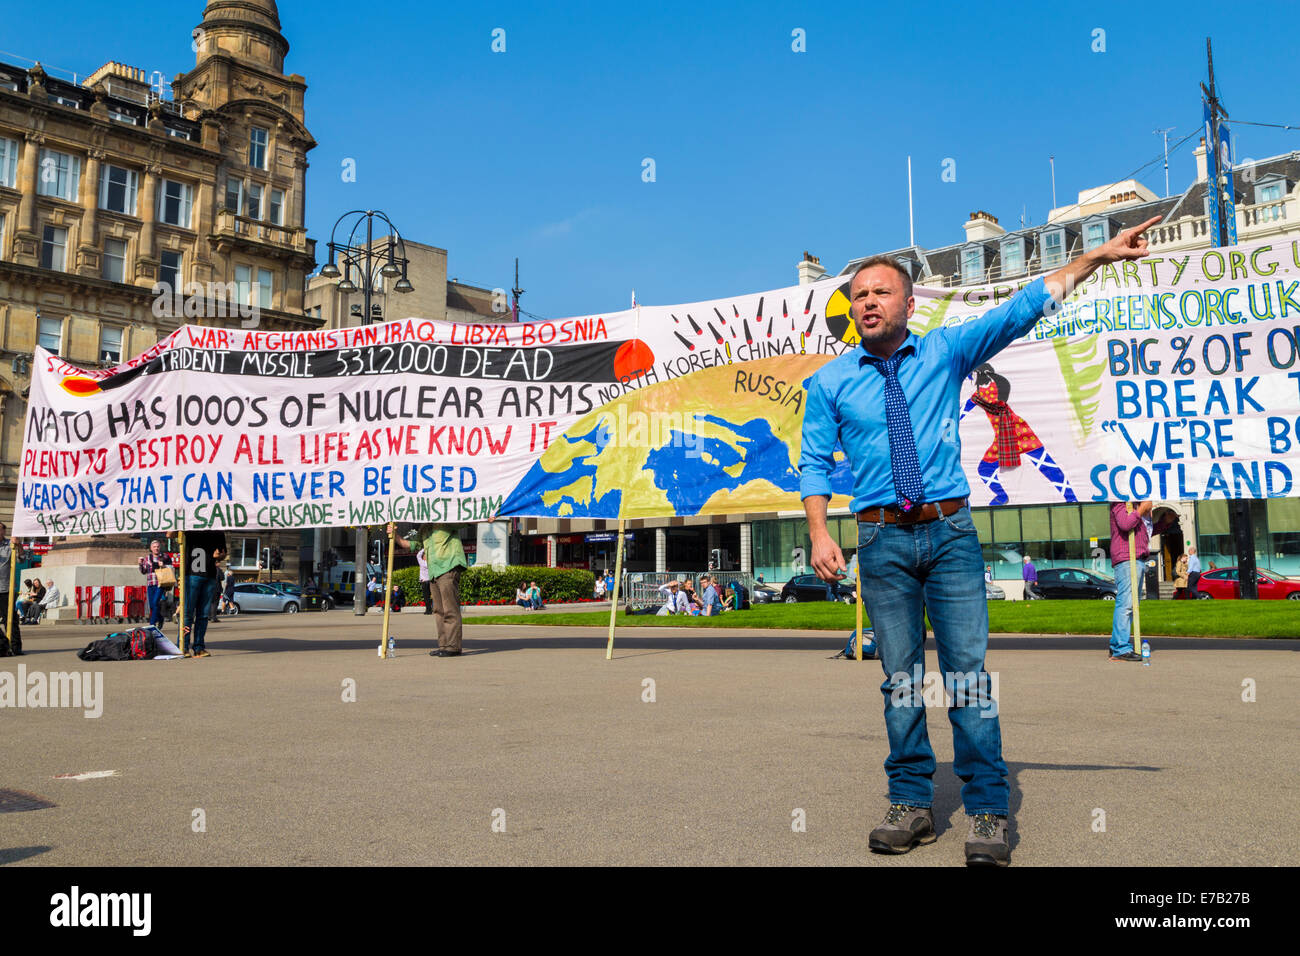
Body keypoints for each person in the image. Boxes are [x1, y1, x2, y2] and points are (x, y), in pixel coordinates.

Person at [799, 216, 1161, 867]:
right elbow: (815, 464)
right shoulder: (830, 383)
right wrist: (820, 529)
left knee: (966, 678)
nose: (869, 301)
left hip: (951, 536)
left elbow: (1020, 309)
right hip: (880, 543)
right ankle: (911, 804)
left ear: (909, 304)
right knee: (902, 679)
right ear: (850, 309)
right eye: (859, 295)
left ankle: (988, 811)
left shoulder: (945, 352)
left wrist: (1099, 258)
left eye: (882, 292)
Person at [1109, 501, 1175, 661]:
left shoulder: (1136, 506)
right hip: (1127, 557)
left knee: (1131, 603)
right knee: (1127, 603)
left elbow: (1144, 532)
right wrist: (1141, 510)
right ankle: (1120, 648)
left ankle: (1117, 645)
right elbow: (1125, 524)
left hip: (1136, 557)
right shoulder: (1121, 502)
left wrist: (1164, 523)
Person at [389, 523, 468, 657]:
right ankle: (444, 645)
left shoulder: (446, 518)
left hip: (448, 567)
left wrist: (487, 517)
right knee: (438, 610)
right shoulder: (424, 528)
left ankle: (453, 646)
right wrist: (395, 536)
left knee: (450, 608)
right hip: (434, 572)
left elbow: (469, 519)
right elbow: (410, 545)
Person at [183, 530, 226, 658]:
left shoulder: (218, 531)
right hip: (192, 575)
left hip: (209, 575)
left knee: (202, 614)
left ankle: (198, 647)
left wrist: (219, 556)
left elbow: (223, 553)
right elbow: (170, 534)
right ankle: (184, 646)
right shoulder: (190, 527)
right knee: (188, 613)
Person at [138, 538, 174, 629]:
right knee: (152, 606)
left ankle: (152, 624)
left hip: (160, 583)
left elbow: (172, 567)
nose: (156, 548)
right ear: (151, 548)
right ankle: (161, 618)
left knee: (155, 602)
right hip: (150, 584)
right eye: (154, 547)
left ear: (160, 547)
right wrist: (140, 564)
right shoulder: (147, 558)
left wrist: (164, 565)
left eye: (157, 547)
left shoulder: (165, 556)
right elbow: (143, 571)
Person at [0, 524, 19, 655]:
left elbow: (22, 559)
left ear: (3, 531)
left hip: (6, 589)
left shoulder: (9, 545)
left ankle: (15, 647)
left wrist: (19, 545)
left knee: (10, 621)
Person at [416, 548, 433, 615]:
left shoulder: (422, 562)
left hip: (425, 582)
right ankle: (429, 609)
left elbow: (418, 555)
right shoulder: (430, 563)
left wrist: (424, 548)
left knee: (426, 597)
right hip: (429, 581)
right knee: (430, 597)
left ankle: (428, 610)